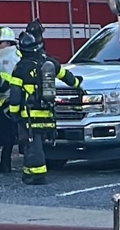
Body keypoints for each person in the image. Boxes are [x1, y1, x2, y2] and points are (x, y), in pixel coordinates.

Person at [7, 31, 80, 185]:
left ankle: (37, 176)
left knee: (32, 144)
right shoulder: (49, 63)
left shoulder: (20, 67)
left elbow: (15, 93)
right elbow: (67, 76)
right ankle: (28, 173)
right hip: (47, 112)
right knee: (34, 144)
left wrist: (14, 113)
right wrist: (77, 84)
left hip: (28, 114)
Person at [0, 27, 20, 173]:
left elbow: (6, 81)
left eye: (0, 42)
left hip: (4, 103)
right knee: (8, 137)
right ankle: (4, 164)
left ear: (8, 43)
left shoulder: (8, 59)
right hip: (10, 103)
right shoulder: (12, 55)